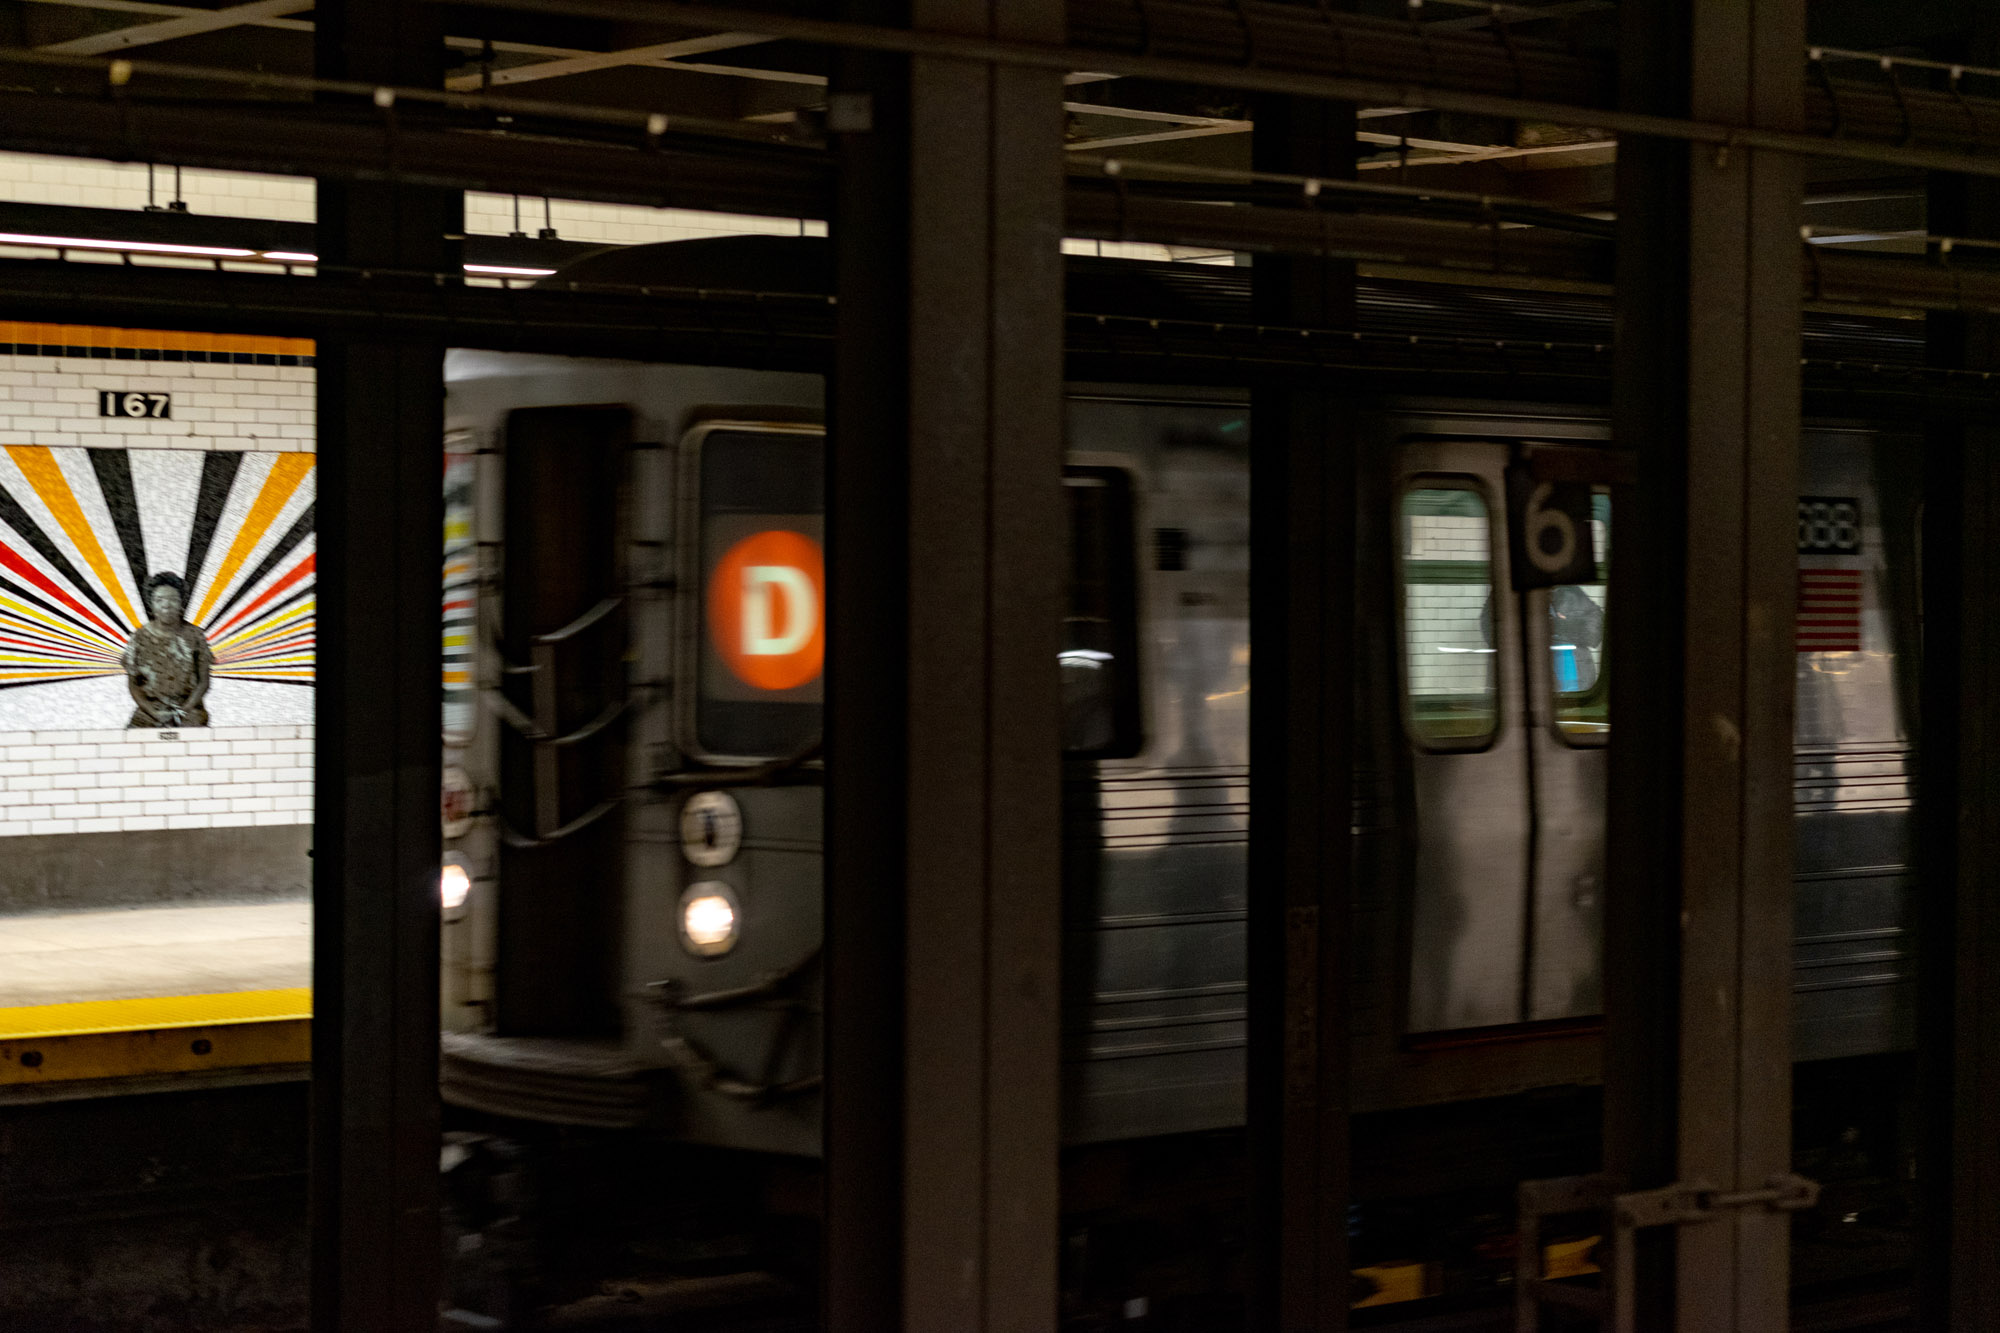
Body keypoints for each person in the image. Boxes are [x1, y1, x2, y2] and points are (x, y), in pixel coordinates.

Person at [122, 572, 212, 728]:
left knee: (198, 745)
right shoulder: (139, 638)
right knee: (131, 745)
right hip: (149, 712)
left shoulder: (195, 636)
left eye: (173, 600)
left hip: (189, 710)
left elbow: (203, 682)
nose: (166, 605)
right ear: (151, 605)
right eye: (159, 600)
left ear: (181, 603)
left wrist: (184, 710)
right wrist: (154, 713)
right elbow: (133, 685)